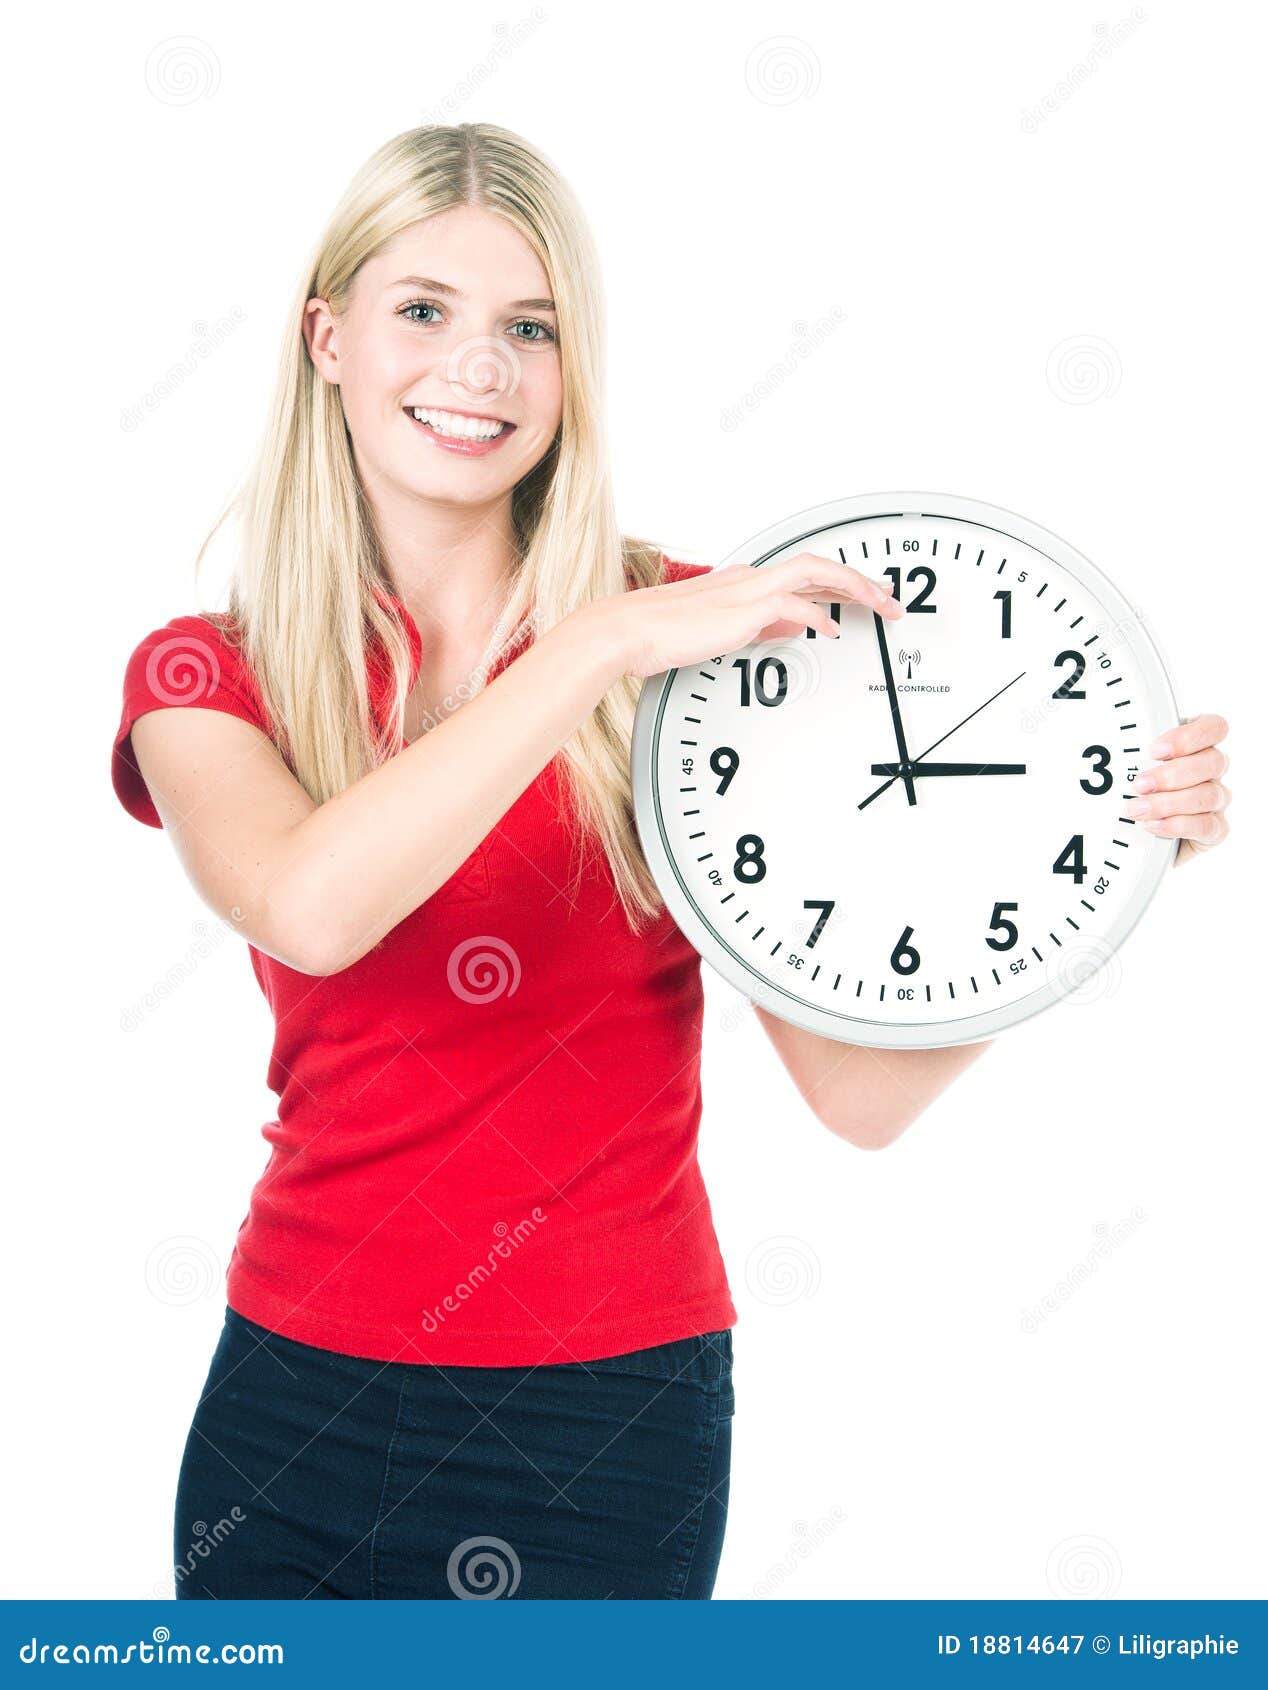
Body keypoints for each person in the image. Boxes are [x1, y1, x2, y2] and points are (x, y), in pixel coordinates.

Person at [110, 122, 1233, 1601]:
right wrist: (596, 643)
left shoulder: (695, 650)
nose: (480, 369)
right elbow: (312, 907)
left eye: (533, 327)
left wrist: (1100, 873)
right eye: (425, 311)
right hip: (295, 1399)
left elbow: (859, 1094)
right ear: (329, 338)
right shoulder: (212, 673)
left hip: (610, 1412)